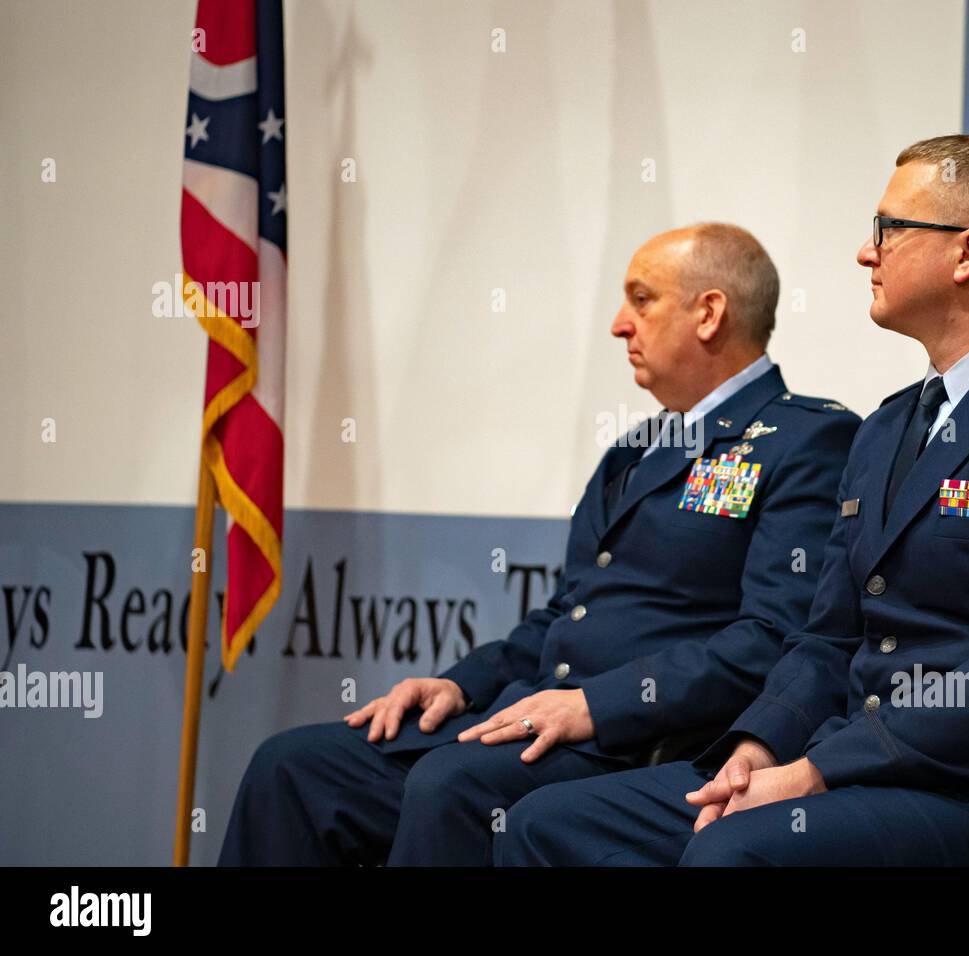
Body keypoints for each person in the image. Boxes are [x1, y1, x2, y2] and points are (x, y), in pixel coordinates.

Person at [495, 135, 969, 867]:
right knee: (548, 822)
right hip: (855, 768)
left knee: (731, 853)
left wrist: (824, 767)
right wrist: (762, 742)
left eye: (889, 229)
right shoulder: (888, 425)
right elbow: (827, 637)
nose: (866, 252)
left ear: (968, 253)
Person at [218, 222, 860, 865]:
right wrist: (460, 686)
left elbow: (770, 640)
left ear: (709, 313)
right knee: (292, 768)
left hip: (641, 739)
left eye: (641, 299)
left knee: (453, 785)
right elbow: (565, 613)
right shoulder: (634, 451)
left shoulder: (805, 441)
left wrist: (596, 705)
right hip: (530, 718)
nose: (618, 324)